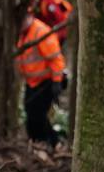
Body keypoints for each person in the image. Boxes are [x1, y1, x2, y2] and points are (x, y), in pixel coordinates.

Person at [15, 10, 68, 148]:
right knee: (30, 112)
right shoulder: (21, 33)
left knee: (38, 114)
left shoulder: (41, 32)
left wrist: (56, 82)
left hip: (46, 81)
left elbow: (56, 59)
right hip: (32, 82)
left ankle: (52, 142)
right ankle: (37, 142)